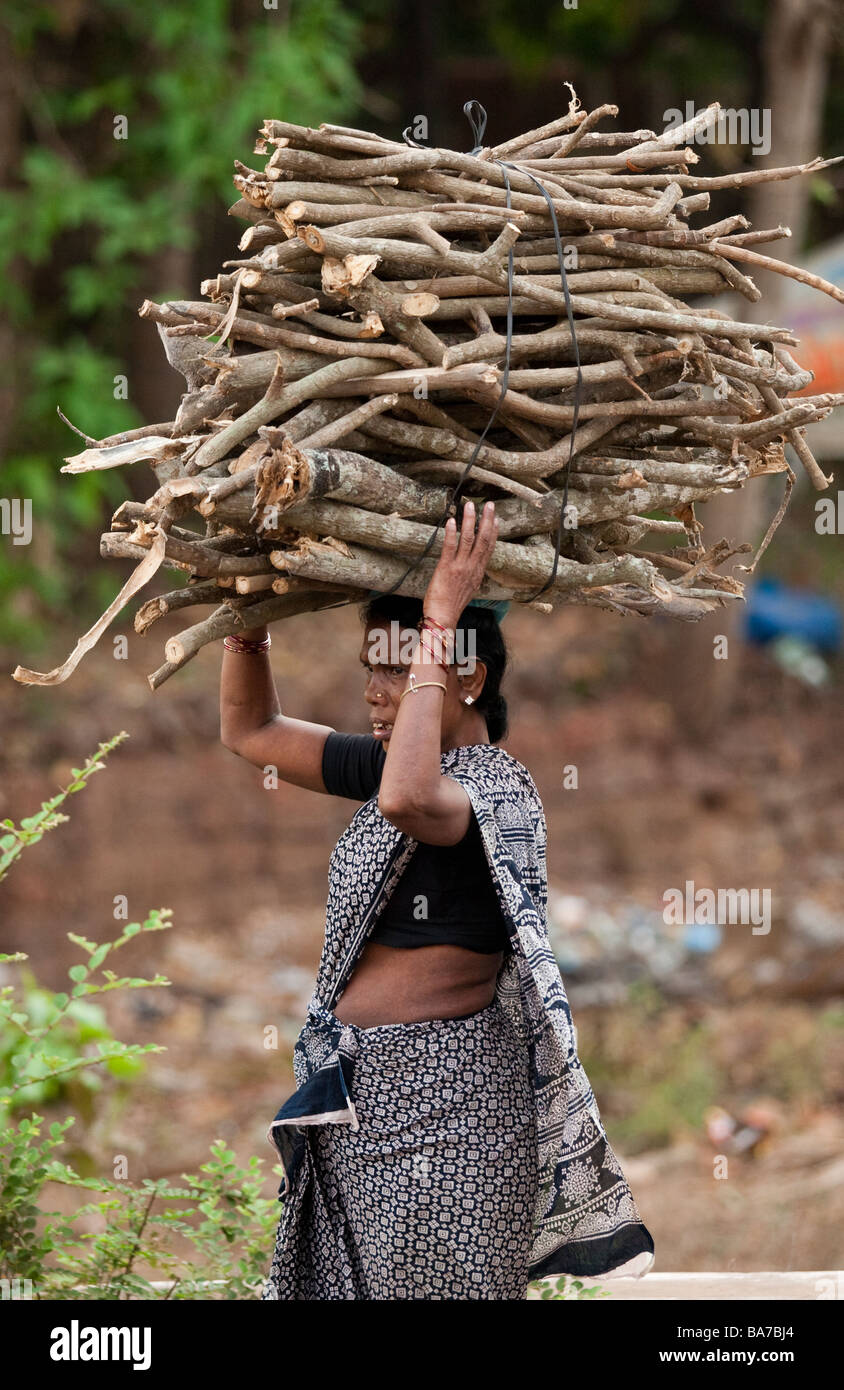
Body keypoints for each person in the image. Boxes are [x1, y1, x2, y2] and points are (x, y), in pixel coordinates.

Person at [220, 499, 654, 1300]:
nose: (377, 692)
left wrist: (444, 612)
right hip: (357, 1109)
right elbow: (251, 729)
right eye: (371, 669)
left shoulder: (499, 791)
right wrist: (248, 614)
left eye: (400, 666)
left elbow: (410, 800)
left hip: (450, 1118)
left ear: (469, 675)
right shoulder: (391, 764)